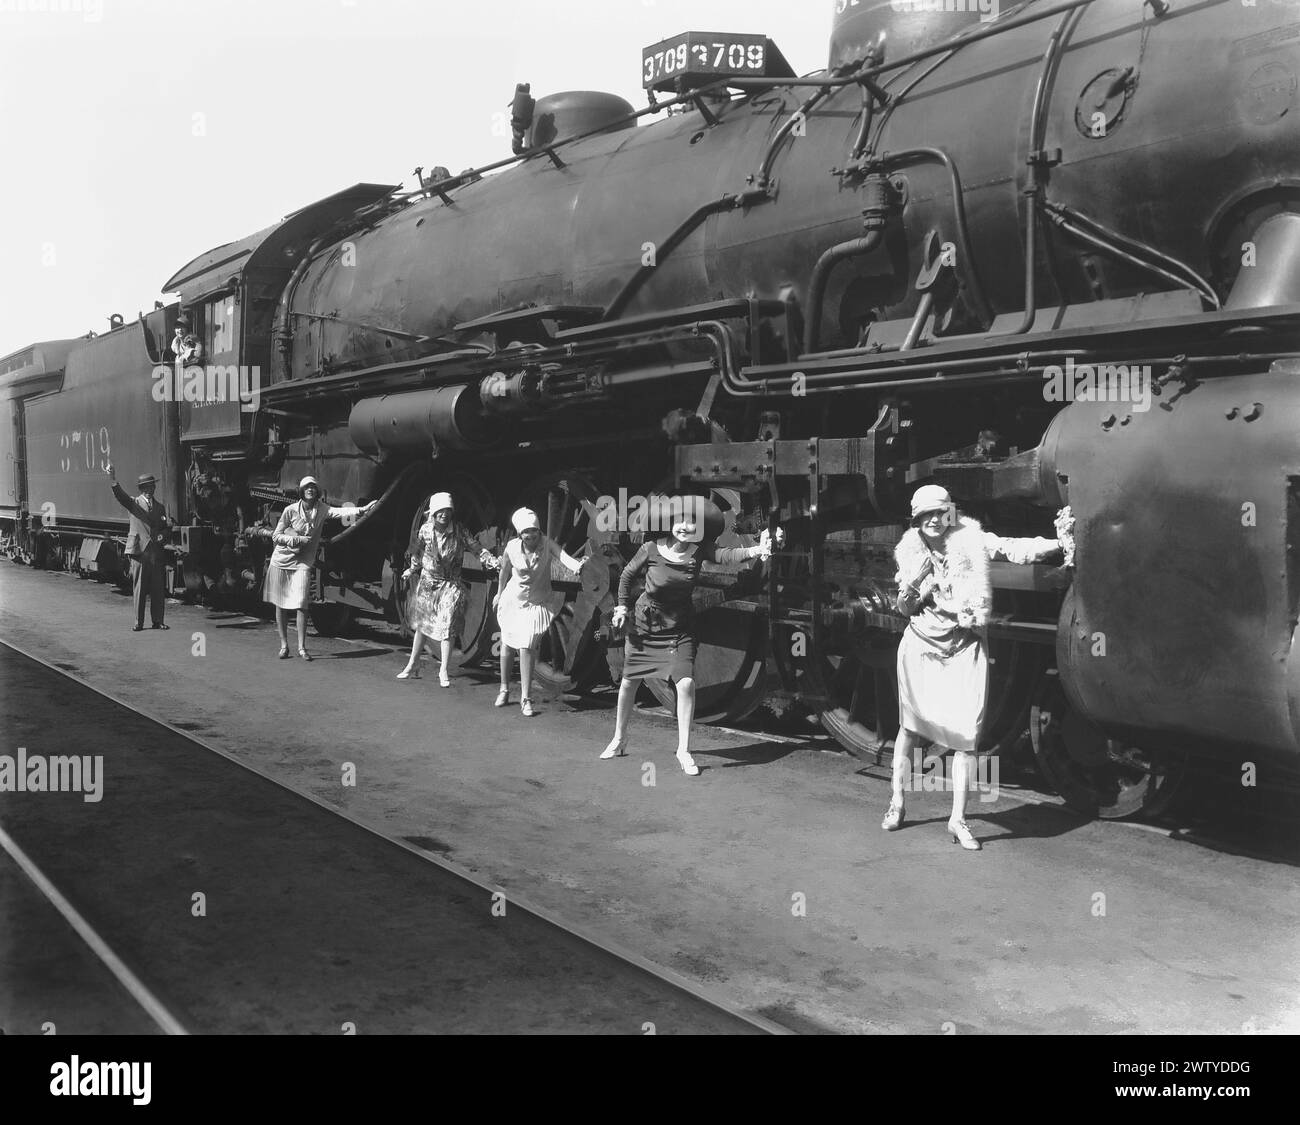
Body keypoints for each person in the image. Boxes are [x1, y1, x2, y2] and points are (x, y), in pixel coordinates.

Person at [884, 484, 1064, 849]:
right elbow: (904, 609)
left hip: (964, 646)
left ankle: (958, 820)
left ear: (949, 513)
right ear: (916, 519)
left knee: (967, 738)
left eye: (940, 512)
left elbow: (1013, 549)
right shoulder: (909, 552)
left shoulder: (970, 540)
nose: (934, 520)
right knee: (910, 729)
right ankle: (897, 802)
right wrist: (913, 588)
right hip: (921, 645)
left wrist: (1059, 543)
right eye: (926, 514)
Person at [600, 506, 780, 776]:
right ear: (670, 524)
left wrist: (756, 550)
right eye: (679, 522)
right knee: (629, 682)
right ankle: (619, 738)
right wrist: (622, 608)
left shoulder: (698, 551)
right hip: (645, 625)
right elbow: (626, 576)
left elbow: (726, 555)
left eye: (690, 523)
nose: (684, 527)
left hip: (678, 628)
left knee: (686, 684)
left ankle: (683, 750)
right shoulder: (650, 549)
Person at [263, 476, 376, 660]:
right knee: (281, 604)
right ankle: (284, 645)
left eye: (313, 488)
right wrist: (295, 539)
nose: (310, 490)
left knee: (301, 603)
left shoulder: (322, 510)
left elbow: (340, 512)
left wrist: (363, 509)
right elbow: (276, 535)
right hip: (282, 560)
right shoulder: (290, 510)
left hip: (302, 562)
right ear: (301, 491)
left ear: (317, 491)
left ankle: (301, 647)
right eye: (307, 487)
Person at [492, 507, 588, 717]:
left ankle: (526, 699)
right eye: (527, 532)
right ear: (520, 534)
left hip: (536, 602)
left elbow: (563, 556)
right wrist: (499, 594)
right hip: (513, 600)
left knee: (526, 646)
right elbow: (504, 572)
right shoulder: (512, 547)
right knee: (507, 646)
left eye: (534, 530)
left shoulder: (547, 545)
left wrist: (577, 566)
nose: (532, 535)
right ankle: (504, 688)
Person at [397, 492, 498, 686]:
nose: (444, 514)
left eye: (447, 511)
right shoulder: (425, 531)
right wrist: (411, 569)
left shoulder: (459, 530)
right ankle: (412, 664)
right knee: (422, 626)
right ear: (433, 513)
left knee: (448, 626)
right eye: (440, 511)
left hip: (451, 584)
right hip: (428, 583)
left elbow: (476, 548)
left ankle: (443, 670)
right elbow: (416, 553)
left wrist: (491, 561)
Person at [105, 463, 174, 631]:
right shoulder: (133, 503)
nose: (151, 489)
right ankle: (138, 622)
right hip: (140, 552)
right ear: (142, 488)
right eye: (148, 487)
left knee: (158, 589)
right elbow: (120, 496)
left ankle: (158, 620)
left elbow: (166, 529)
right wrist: (113, 478)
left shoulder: (160, 508)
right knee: (139, 589)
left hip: (155, 552)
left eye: (153, 486)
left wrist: (163, 536)